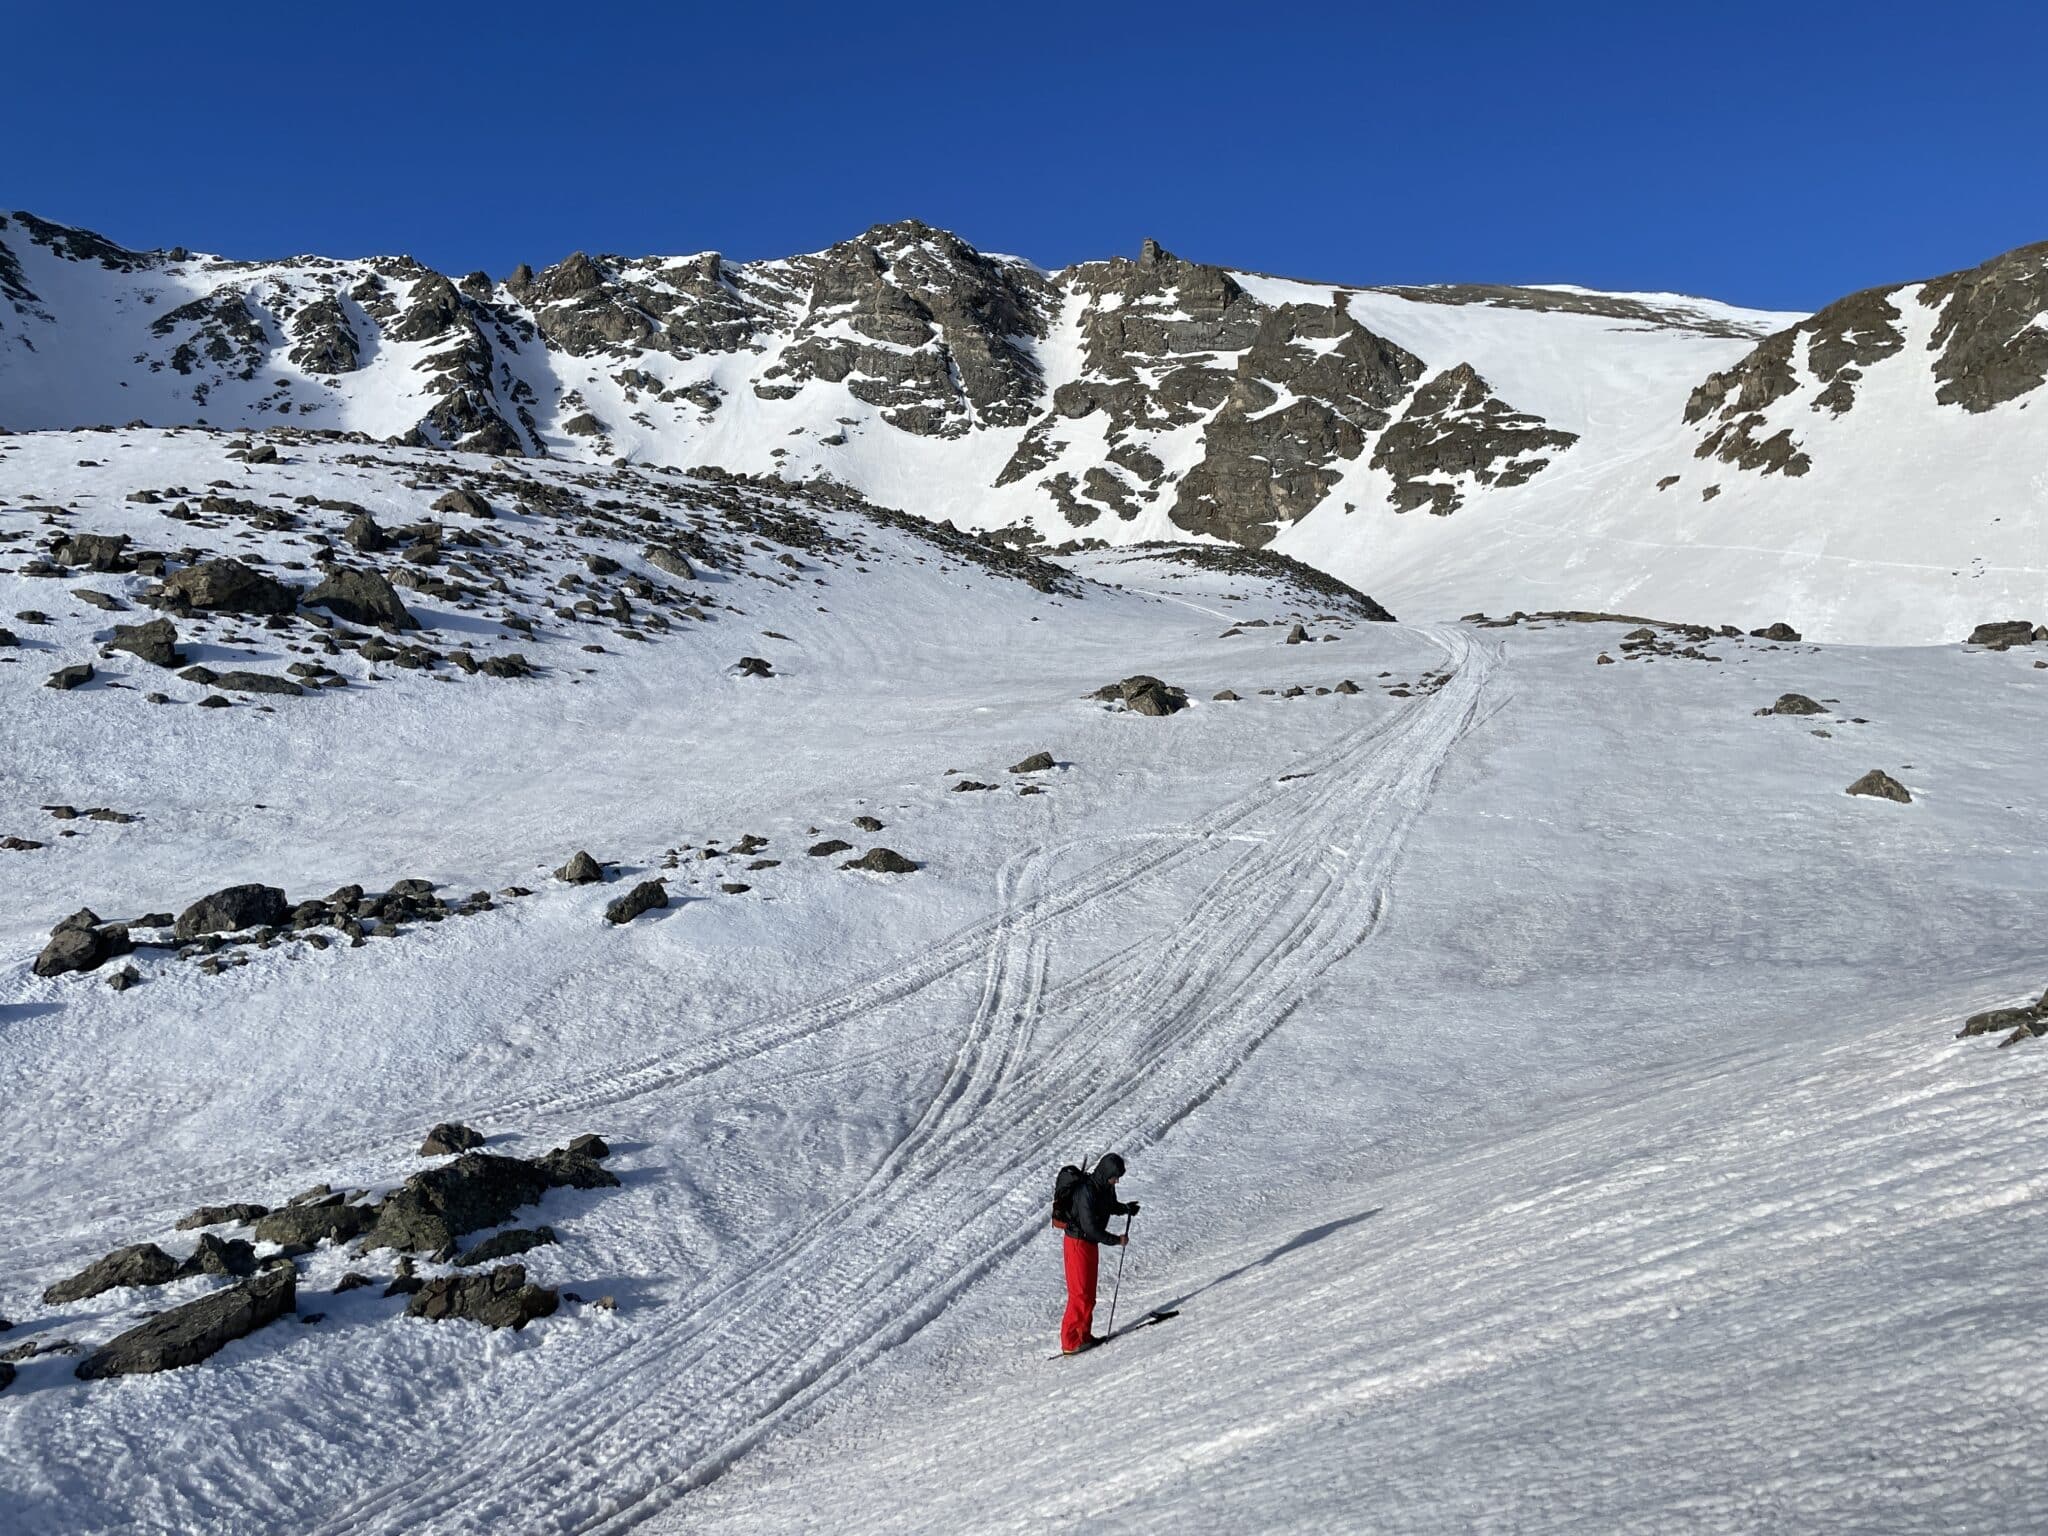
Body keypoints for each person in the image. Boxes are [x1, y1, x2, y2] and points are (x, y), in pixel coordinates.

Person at [1061, 1151, 1139, 1354]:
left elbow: (1109, 1206)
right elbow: (1090, 1228)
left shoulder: (1105, 1187)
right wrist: (1116, 1240)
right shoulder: (1086, 1191)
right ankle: (1070, 1342)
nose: (1117, 1181)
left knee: (1089, 1295)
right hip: (1077, 1244)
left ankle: (1084, 1336)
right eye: (1115, 1177)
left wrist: (1126, 1209)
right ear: (1106, 1173)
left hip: (1089, 1244)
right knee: (1079, 1294)